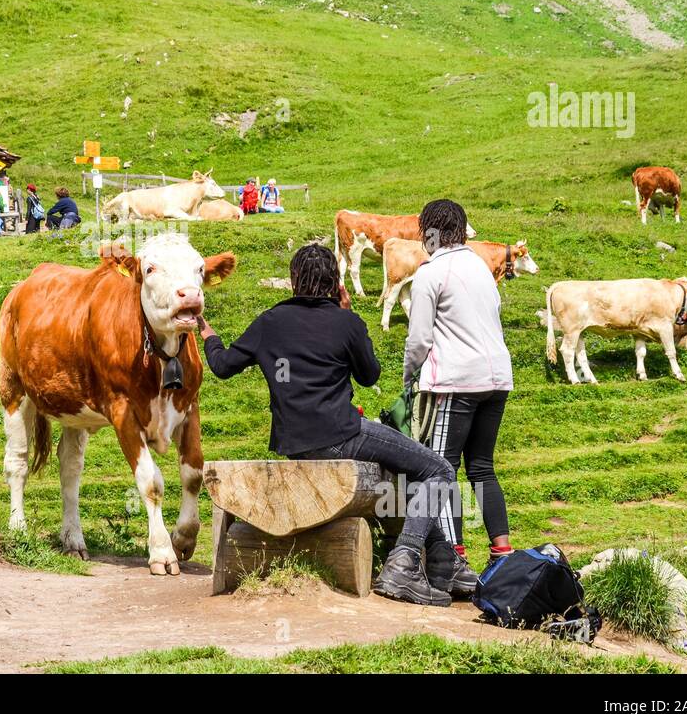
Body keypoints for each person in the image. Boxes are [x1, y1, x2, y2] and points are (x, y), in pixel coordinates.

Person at [198, 243, 473, 607]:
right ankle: (404, 562)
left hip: (296, 443)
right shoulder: (344, 322)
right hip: (343, 435)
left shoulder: (270, 322)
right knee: (437, 469)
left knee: (405, 469)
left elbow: (223, 365)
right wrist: (350, 317)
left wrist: (206, 332)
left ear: (295, 280)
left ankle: (440, 562)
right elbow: (369, 374)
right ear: (336, 282)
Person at [403, 199, 515, 571]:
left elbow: (418, 339)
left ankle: (454, 559)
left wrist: (409, 378)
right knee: (482, 466)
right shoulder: (481, 267)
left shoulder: (430, 273)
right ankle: (502, 551)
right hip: (498, 378)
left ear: (429, 233)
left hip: (457, 380)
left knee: (442, 467)